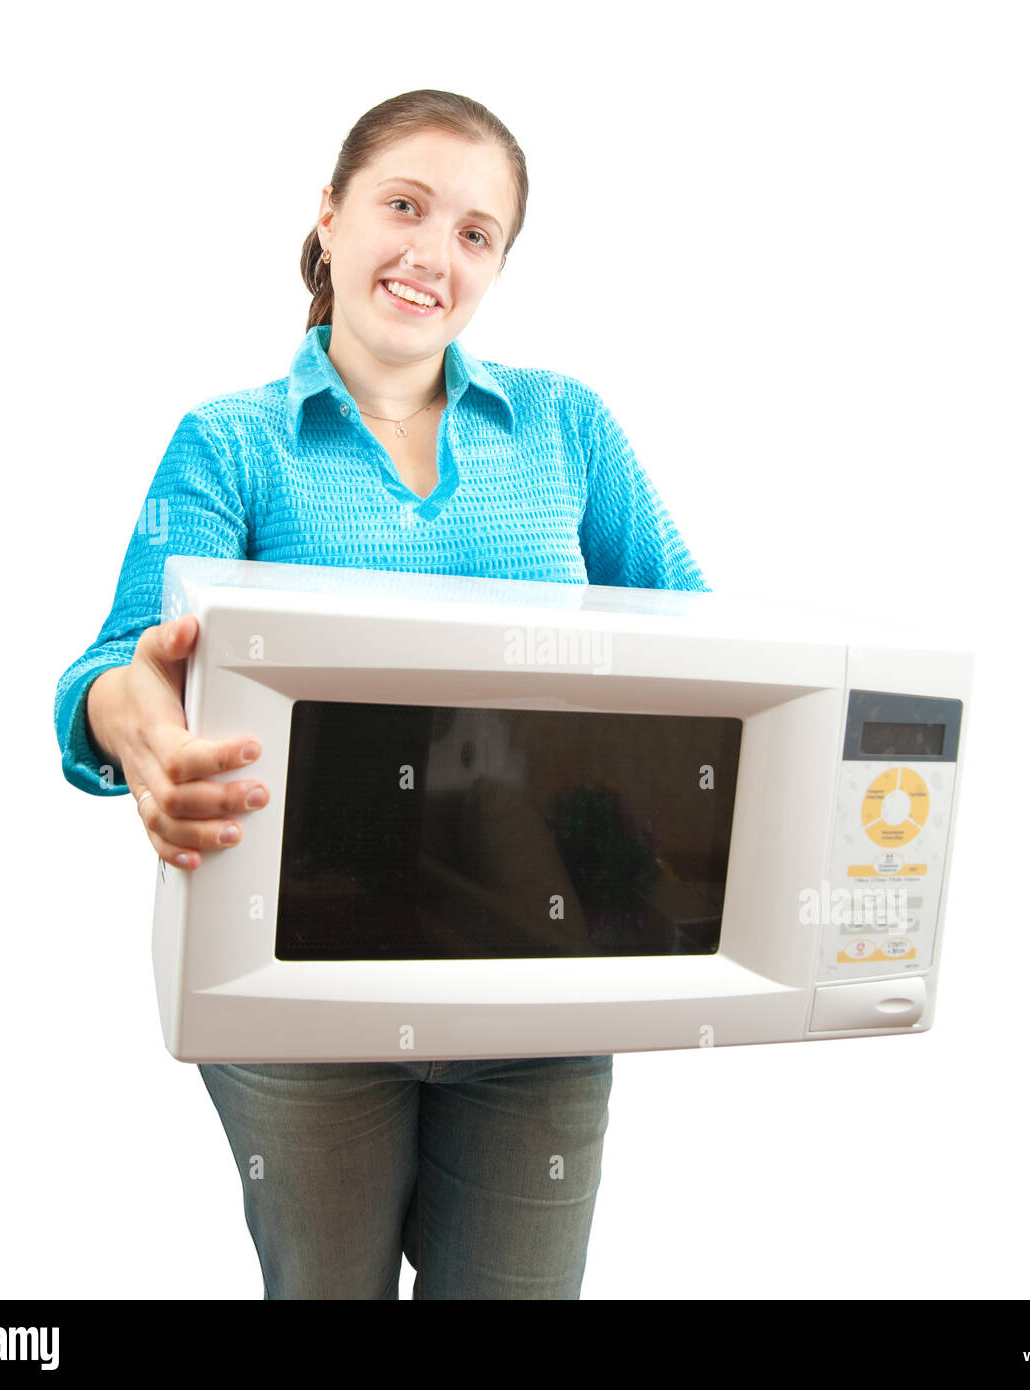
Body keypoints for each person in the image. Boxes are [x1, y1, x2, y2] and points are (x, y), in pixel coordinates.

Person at [52, 89, 710, 1299]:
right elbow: (118, 665)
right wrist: (137, 727)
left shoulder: (568, 428)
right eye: (402, 205)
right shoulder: (231, 443)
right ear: (331, 215)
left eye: (474, 233)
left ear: (497, 266)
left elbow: (701, 654)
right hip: (302, 995)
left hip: (540, 993)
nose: (430, 253)